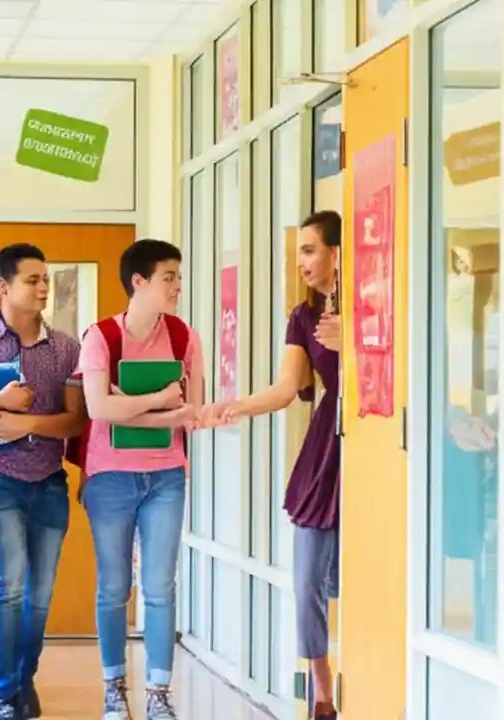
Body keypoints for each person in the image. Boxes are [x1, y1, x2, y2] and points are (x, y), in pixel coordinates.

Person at [201, 210, 344, 720]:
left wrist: (353, 341)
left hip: (368, 438)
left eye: (310, 249)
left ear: (336, 252)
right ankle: (323, 691)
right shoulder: (302, 317)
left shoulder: (372, 305)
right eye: (299, 250)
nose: (302, 260)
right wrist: (233, 406)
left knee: (360, 575)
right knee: (307, 578)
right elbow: (288, 389)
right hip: (326, 444)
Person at [0, 243, 85, 720]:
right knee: (7, 587)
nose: (43, 287)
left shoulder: (68, 347)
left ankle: (24, 677)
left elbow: (74, 423)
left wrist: (25, 424)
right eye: (33, 280)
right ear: (3, 287)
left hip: (49, 482)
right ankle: (7, 694)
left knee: (41, 593)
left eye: (46, 279)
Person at [76, 239, 204, 720]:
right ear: (139, 282)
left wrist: (135, 406)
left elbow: (190, 414)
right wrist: (162, 398)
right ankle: (114, 689)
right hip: (109, 477)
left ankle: (158, 694)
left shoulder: (185, 337)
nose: (177, 286)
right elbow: (97, 409)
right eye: (168, 277)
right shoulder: (100, 337)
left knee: (159, 585)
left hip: (167, 476)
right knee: (113, 586)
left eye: (178, 276)